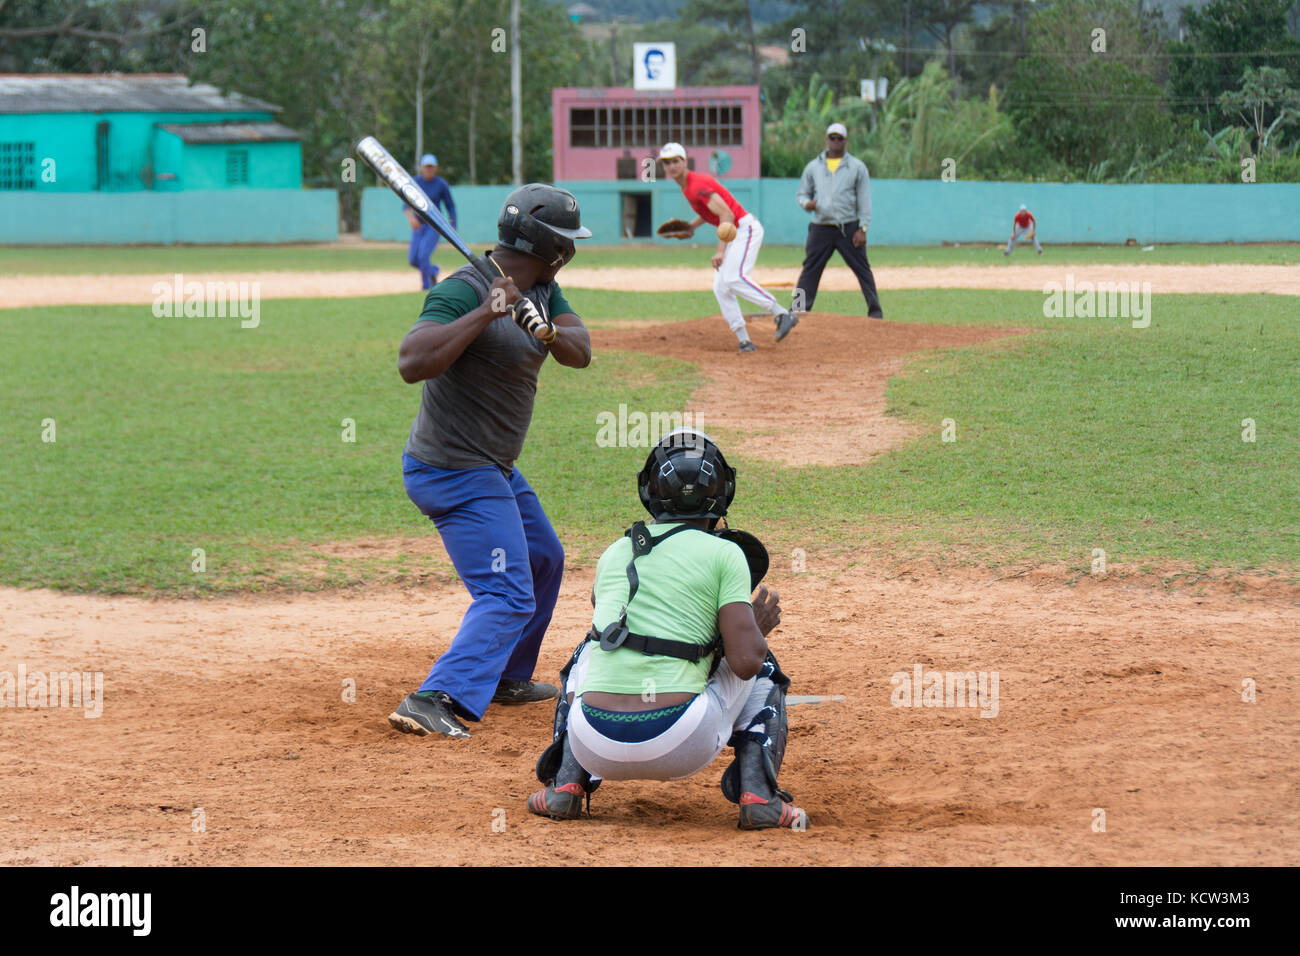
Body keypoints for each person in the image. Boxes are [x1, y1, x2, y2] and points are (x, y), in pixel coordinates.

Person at [387, 184, 593, 740]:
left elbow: (582, 350)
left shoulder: (544, 290)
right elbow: (412, 361)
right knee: (506, 590)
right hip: (452, 470)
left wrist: (547, 333)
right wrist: (486, 312)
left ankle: (504, 676)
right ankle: (434, 697)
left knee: (545, 558)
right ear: (554, 248)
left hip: (493, 467)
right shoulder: (465, 289)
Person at [527, 428, 809, 831]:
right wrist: (755, 631)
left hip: (594, 744)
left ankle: (565, 787)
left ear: (650, 492)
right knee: (763, 663)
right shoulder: (726, 553)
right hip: (681, 741)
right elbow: (746, 663)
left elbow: (611, 627)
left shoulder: (615, 551)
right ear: (722, 492)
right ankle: (758, 797)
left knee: (587, 650)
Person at [658, 142, 799, 353]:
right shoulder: (687, 186)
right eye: (667, 162)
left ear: (685, 161)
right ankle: (744, 340)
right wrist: (691, 227)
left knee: (734, 277)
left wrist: (721, 250)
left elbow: (727, 215)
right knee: (721, 287)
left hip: (744, 229)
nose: (671, 166)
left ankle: (781, 313)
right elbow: (711, 213)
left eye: (676, 161)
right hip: (734, 232)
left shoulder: (697, 184)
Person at [794, 122, 884, 320]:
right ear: (826, 140)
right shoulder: (813, 167)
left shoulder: (857, 167)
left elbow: (864, 198)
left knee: (863, 270)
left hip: (849, 227)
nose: (835, 141)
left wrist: (863, 227)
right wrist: (806, 203)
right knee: (809, 269)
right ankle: (797, 309)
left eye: (839, 138)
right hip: (820, 226)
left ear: (846, 141)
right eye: (832, 137)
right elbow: (802, 193)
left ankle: (875, 312)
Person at [403, 154, 457, 289]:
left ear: (435, 168)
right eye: (426, 167)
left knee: (423, 254)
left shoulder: (441, 184)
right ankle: (433, 271)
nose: (428, 169)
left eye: (431, 167)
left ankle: (426, 287)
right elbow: (405, 204)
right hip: (419, 225)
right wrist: (411, 218)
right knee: (413, 259)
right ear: (421, 168)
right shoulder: (415, 182)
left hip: (434, 225)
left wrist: (453, 223)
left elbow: (450, 205)